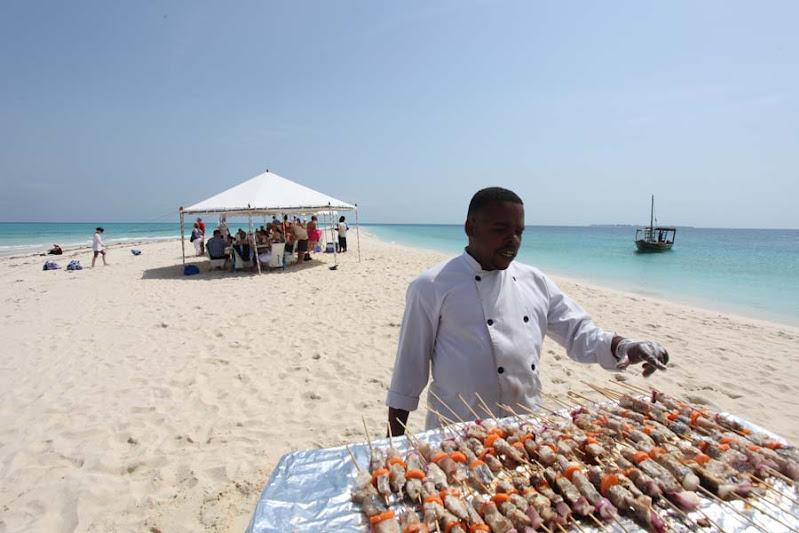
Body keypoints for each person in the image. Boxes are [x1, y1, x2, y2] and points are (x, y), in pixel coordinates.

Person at [386, 187, 670, 435]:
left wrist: (627, 347)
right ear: (470, 228)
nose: (513, 240)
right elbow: (408, 371)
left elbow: (580, 333)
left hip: (526, 430)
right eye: (500, 230)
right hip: (457, 434)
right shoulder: (432, 285)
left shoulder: (535, 281)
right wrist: (392, 445)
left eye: (519, 231)